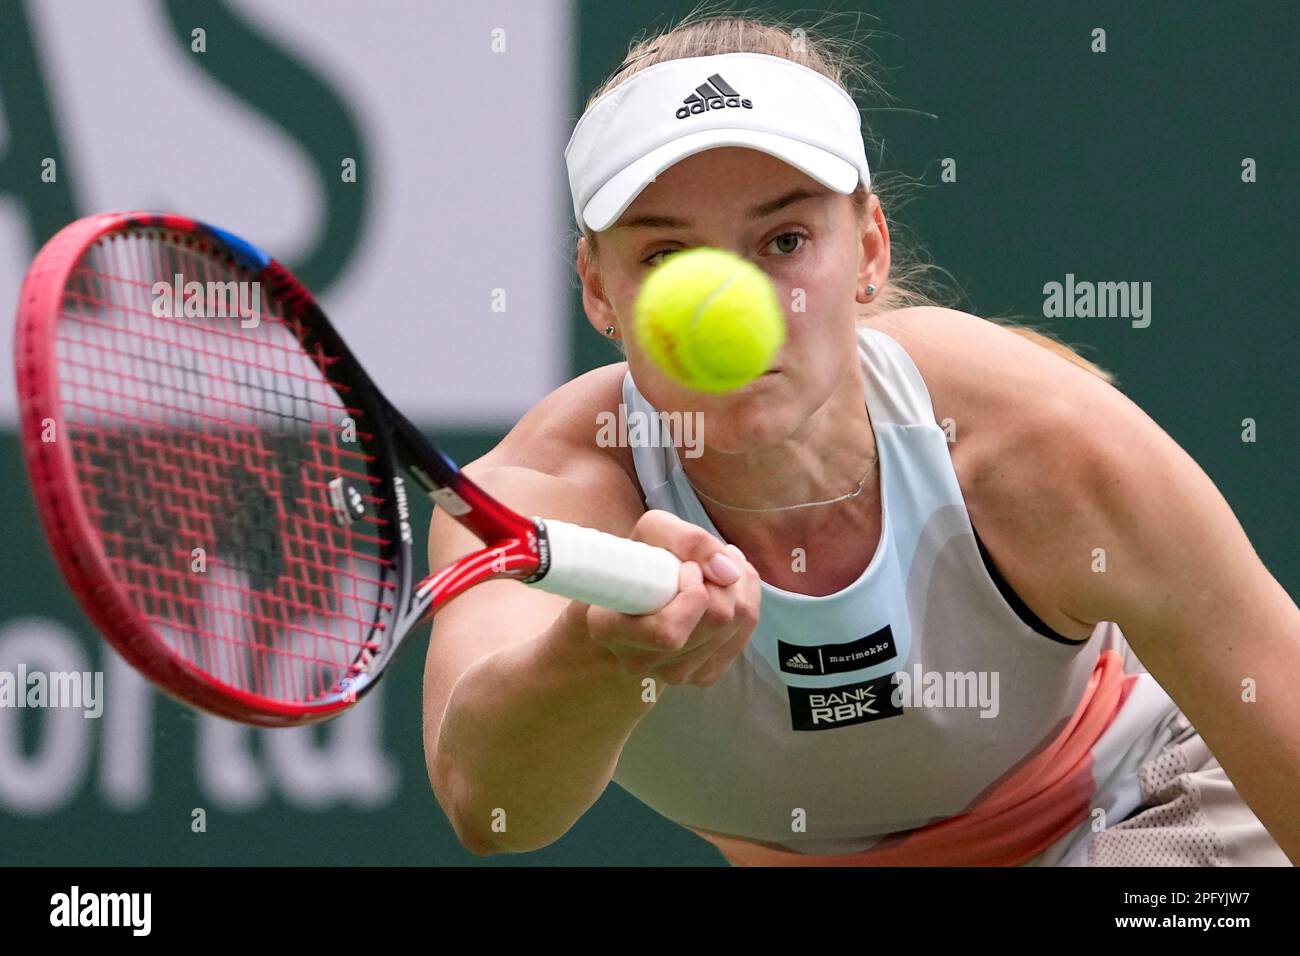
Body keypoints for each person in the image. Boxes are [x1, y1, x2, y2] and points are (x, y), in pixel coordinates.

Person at [421, 11, 1299, 866]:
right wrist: (599, 656)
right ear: (598, 289)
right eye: (666, 258)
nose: (744, 303)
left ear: (870, 249)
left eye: (785, 240)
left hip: (1143, 809)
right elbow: (489, 807)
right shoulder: (537, 500)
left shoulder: (1042, 442)